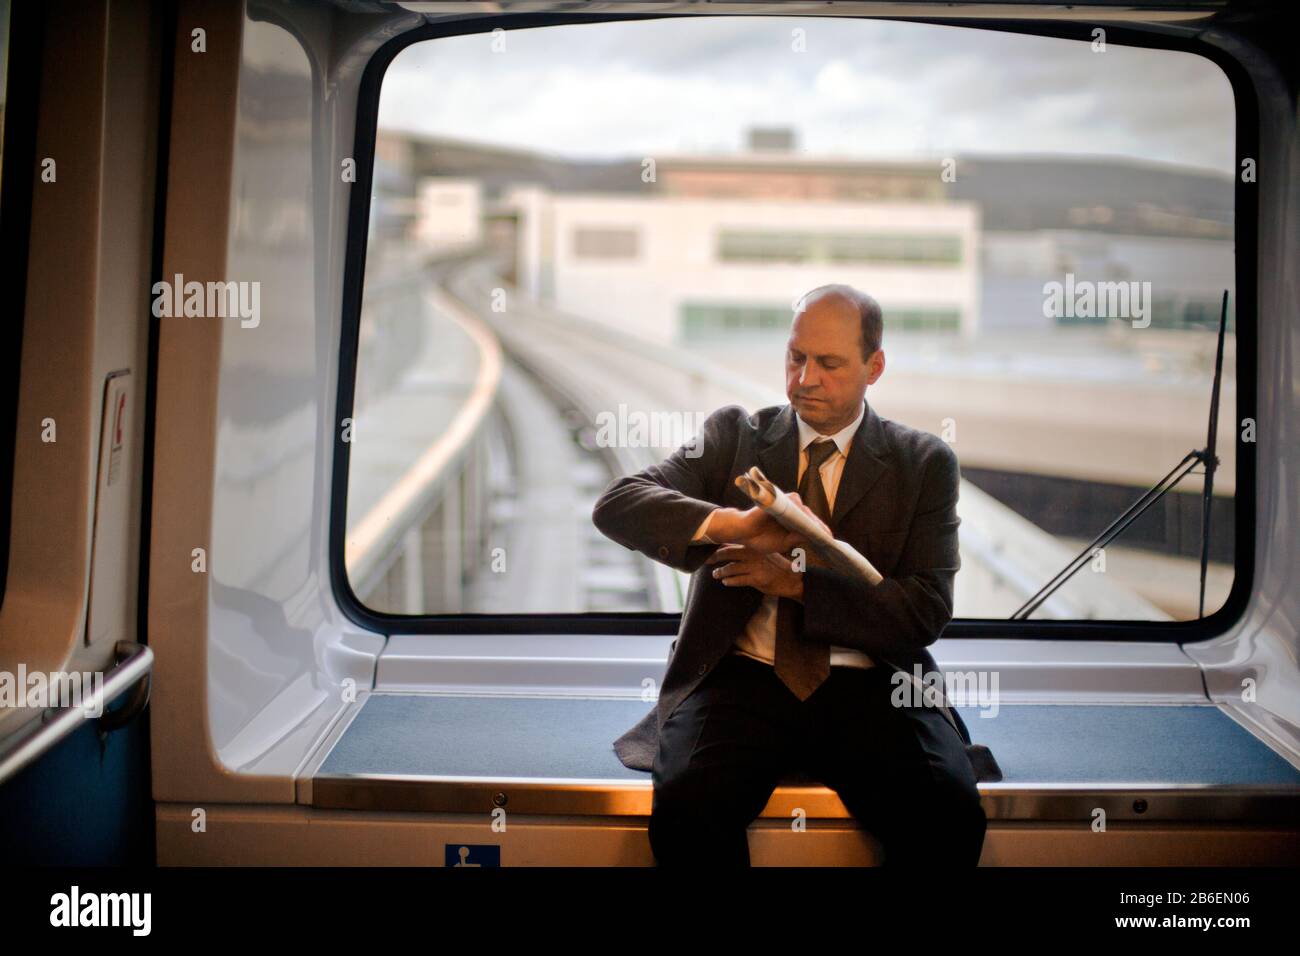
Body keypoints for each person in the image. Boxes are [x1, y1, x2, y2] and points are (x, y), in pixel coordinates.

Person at [591, 283, 986, 866]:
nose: (805, 379)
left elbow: (924, 611)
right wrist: (734, 525)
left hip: (874, 682)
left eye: (829, 363)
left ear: (874, 367)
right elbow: (618, 504)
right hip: (741, 678)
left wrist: (796, 584)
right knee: (687, 807)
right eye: (796, 357)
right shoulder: (734, 437)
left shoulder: (922, 463)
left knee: (946, 815)